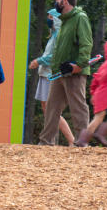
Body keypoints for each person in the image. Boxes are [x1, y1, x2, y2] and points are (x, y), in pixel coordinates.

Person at [38, 0, 93, 145]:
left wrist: (78, 65)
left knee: (78, 107)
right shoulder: (65, 20)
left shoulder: (80, 18)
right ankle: (46, 141)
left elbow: (86, 44)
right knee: (51, 108)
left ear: (65, 1)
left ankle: (82, 142)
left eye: (57, 0)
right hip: (60, 71)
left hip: (74, 72)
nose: (56, 3)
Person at [28, 8, 75, 145]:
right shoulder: (54, 35)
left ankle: (71, 140)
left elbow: (55, 56)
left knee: (52, 110)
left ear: (56, 19)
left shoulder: (59, 35)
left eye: (50, 17)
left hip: (51, 75)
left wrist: (38, 61)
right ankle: (50, 140)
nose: (48, 19)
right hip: (45, 74)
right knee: (46, 108)